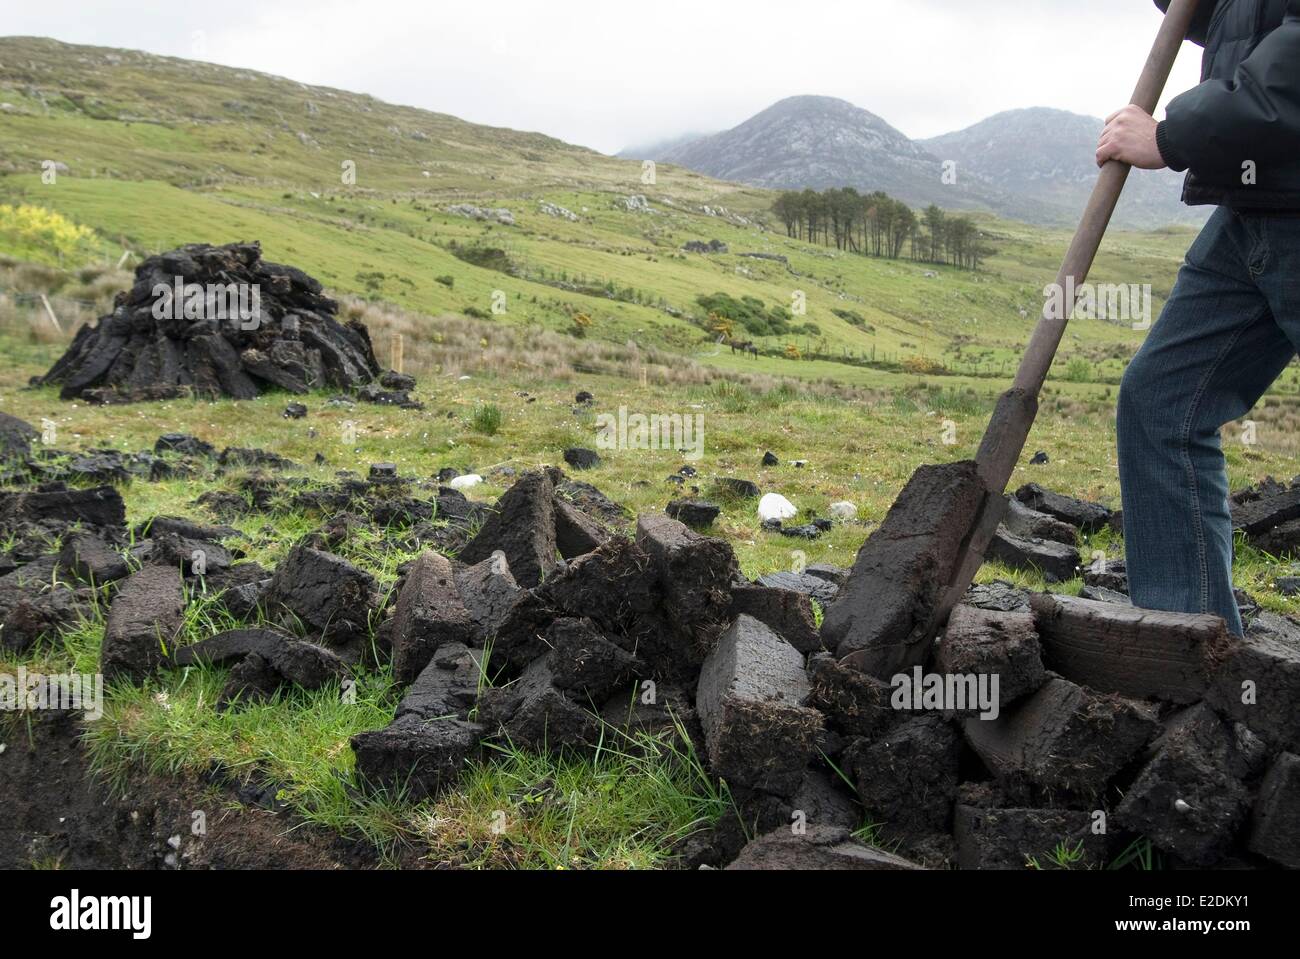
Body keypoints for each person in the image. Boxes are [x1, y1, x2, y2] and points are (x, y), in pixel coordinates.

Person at [1097, 0, 1300, 636]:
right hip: (1256, 205)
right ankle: (1191, 648)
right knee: (1163, 401)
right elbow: (1238, 21)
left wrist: (1171, 136)